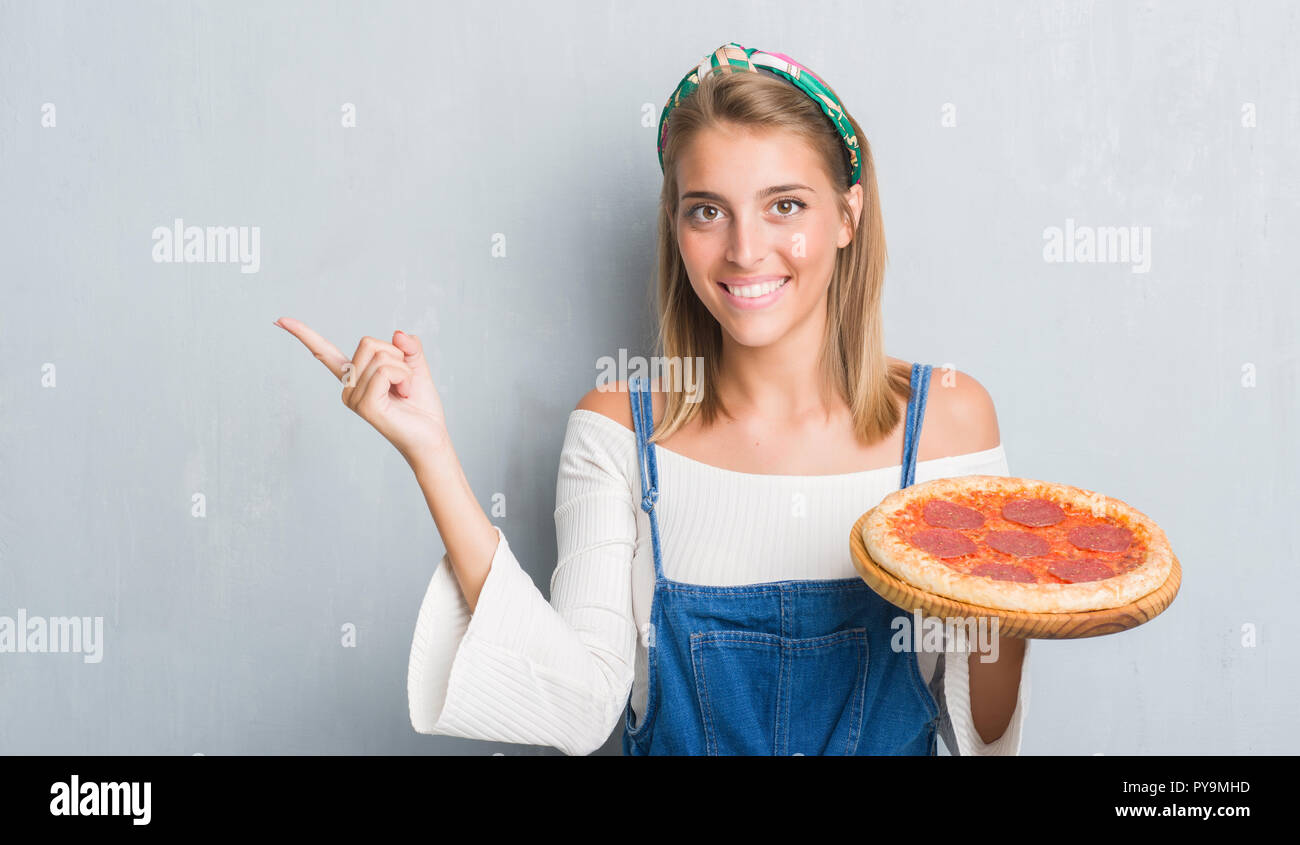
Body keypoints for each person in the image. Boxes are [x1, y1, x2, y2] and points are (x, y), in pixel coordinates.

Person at [276, 41, 1029, 756]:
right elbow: (575, 709)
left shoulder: (949, 424)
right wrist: (430, 453)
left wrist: (1023, 604)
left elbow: (982, 736)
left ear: (848, 216)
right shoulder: (615, 429)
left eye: (785, 205)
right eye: (707, 210)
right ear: (677, 226)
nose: (743, 248)